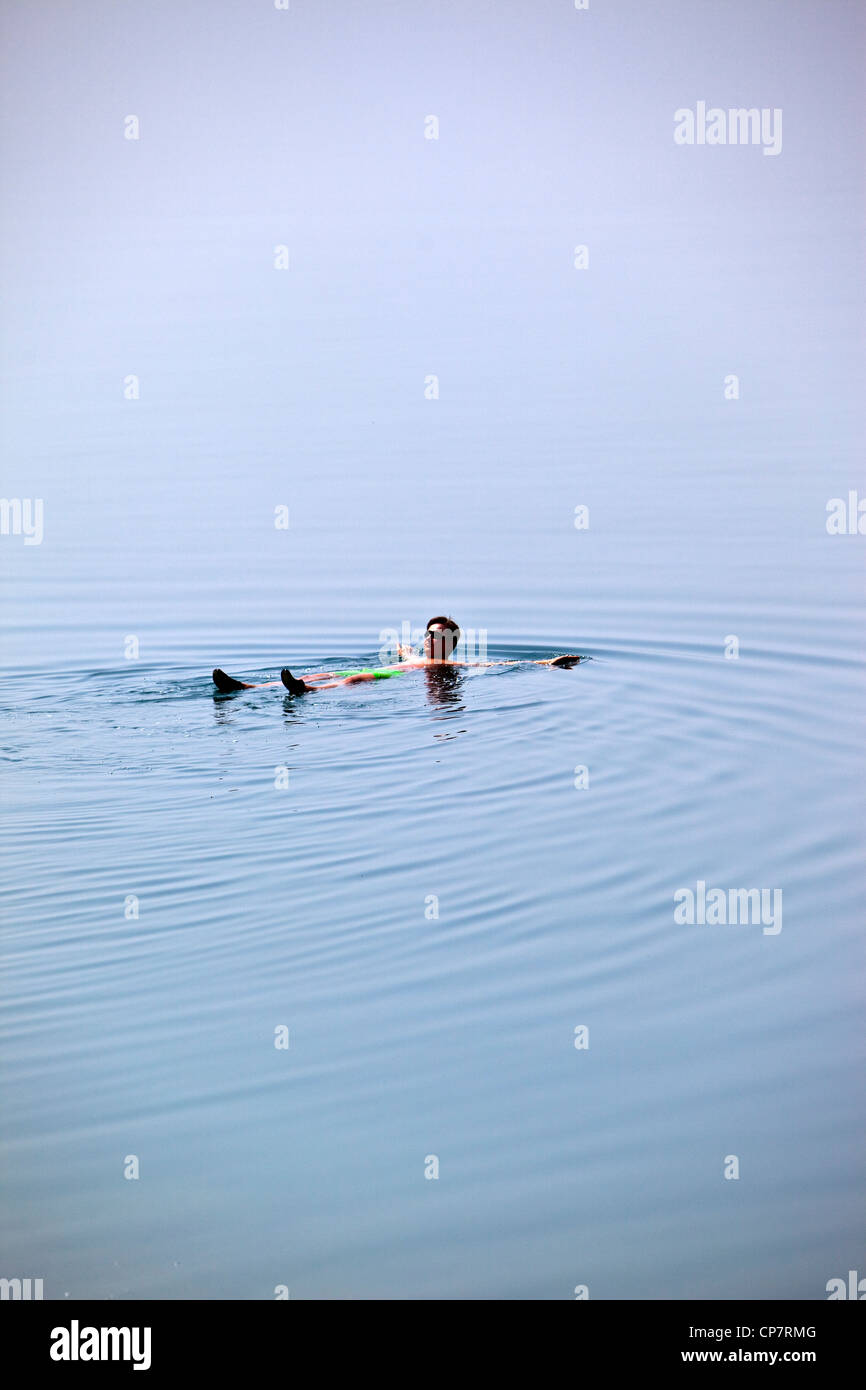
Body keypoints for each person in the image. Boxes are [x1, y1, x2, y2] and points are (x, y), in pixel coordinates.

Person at [277, 616, 581, 694]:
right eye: (427, 634)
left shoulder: (445, 663)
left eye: (435, 636)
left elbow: (498, 663)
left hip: (392, 676)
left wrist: (546, 663)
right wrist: (403, 650)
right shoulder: (419, 656)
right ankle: (250, 687)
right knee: (325, 672)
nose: (429, 639)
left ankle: (309, 691)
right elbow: (407, 651)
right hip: (403, 667)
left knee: (357, 677)